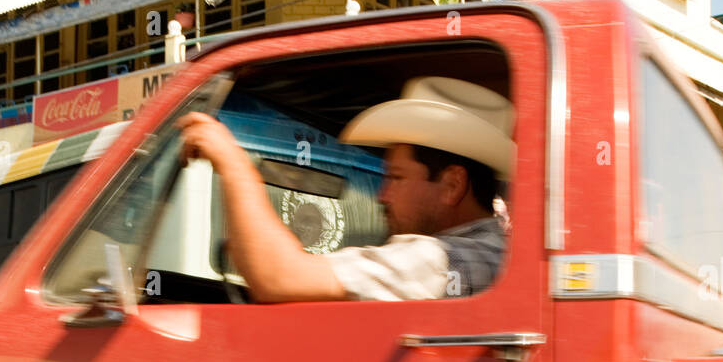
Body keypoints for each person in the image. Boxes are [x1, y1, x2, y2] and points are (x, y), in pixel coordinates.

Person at [177, 77, 515, 302]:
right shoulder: (495, 252)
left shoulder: (442, 260)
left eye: (396, 178)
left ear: (452, 185)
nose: (382, 195)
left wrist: (234, 165)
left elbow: (278, 276)